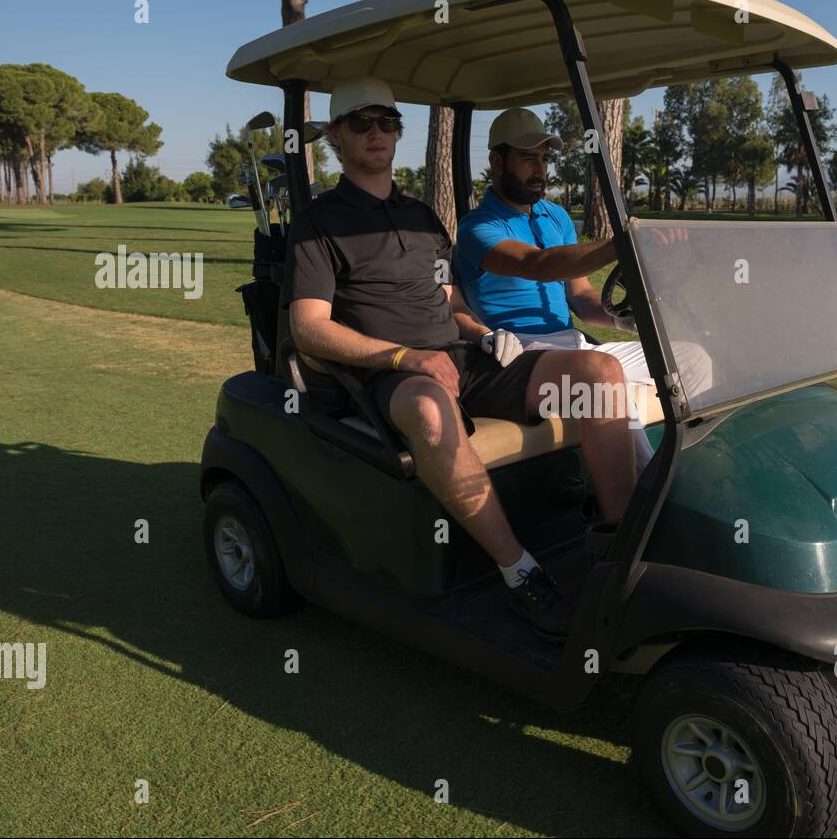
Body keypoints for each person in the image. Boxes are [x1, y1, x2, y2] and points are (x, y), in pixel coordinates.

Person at [285, 78, 636, 643]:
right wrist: (407, 357)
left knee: (600, 373)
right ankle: (521, 574)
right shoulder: (319, 223)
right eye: (361, 123)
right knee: (428, 409)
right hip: (387, 374)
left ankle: (618, 550)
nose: (377, 133)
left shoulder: (422, 218)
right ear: (335, 136)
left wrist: (480, 333)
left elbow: (449, 300)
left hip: (461, 360)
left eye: (387, 122)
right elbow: (308, 327)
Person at [454, 108, 712, 474]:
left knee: (693, 359)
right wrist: (622, 245)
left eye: (544, 159)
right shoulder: (478, 227)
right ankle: (651, 493)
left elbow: (579, 294)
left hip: (574, 343)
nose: (540, 170)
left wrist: (618, 319)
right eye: (528, 158)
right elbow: (536, 264)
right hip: (520, 351)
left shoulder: (556, 217)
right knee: (605, 378)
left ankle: (691, 469)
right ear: (498, 160)